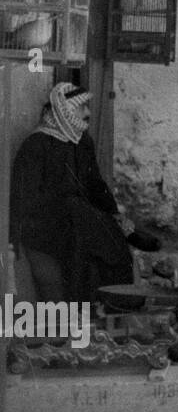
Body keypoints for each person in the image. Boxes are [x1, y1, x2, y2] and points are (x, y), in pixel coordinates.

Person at [10, 82, 134, 305]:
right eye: (81, 107)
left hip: (77, 217)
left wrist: (115, 216)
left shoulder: (82, 142)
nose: (87, 113)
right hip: (44, 226)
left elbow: (96, 185)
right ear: (63, 110)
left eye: (88, 107)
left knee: (111, 235)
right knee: (76, 221)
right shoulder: (35, 145)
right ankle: (75, 312)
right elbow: (22, 199)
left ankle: (120, 305)